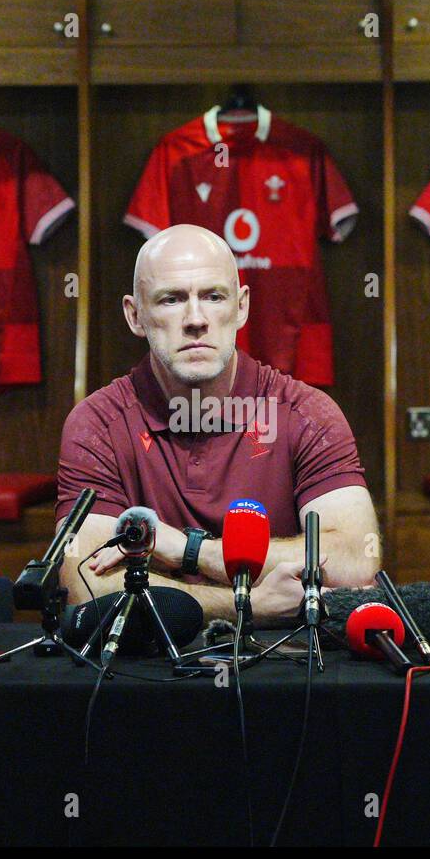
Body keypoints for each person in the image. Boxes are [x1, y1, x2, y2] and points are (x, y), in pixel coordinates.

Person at [55, 224, 379, 624]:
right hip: (148, 668)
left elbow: (354, 561)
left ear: (241, 307)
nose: (196, 319)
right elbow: (84, 583)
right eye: (171, 300)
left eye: (213, 296)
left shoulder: (307, 413)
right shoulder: (97, 424)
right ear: (135, 315)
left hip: (284, 667)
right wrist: (248, 604)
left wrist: (190, 551)